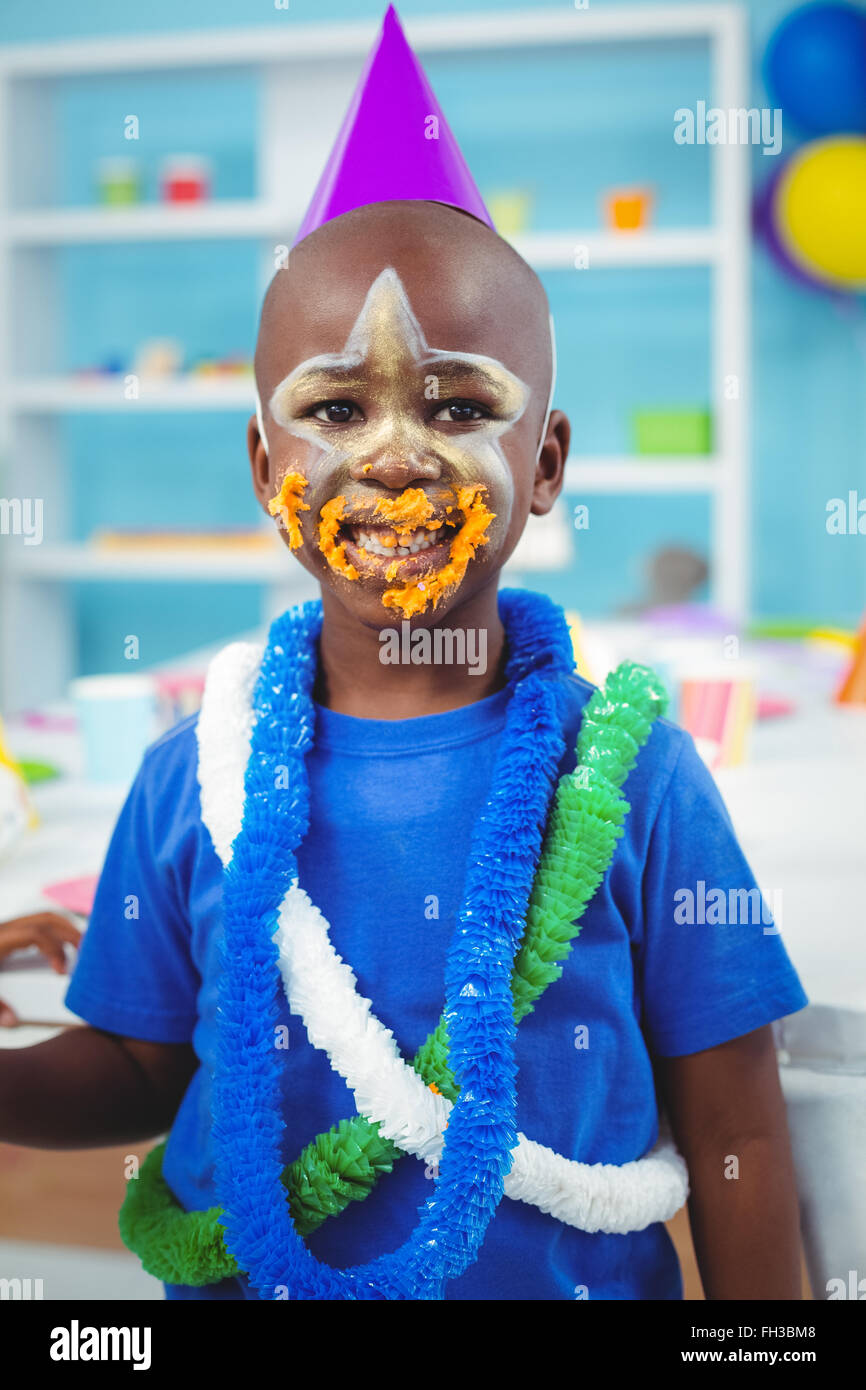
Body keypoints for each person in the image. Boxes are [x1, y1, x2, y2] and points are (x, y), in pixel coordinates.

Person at [0, 8, 807, 1301]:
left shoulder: (634, 781)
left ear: (544, 462)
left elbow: (736, 1125)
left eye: (457, 404)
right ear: (267, 471)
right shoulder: (189, 776)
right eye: (332, 407)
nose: (389, 454)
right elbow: (148, 1067)